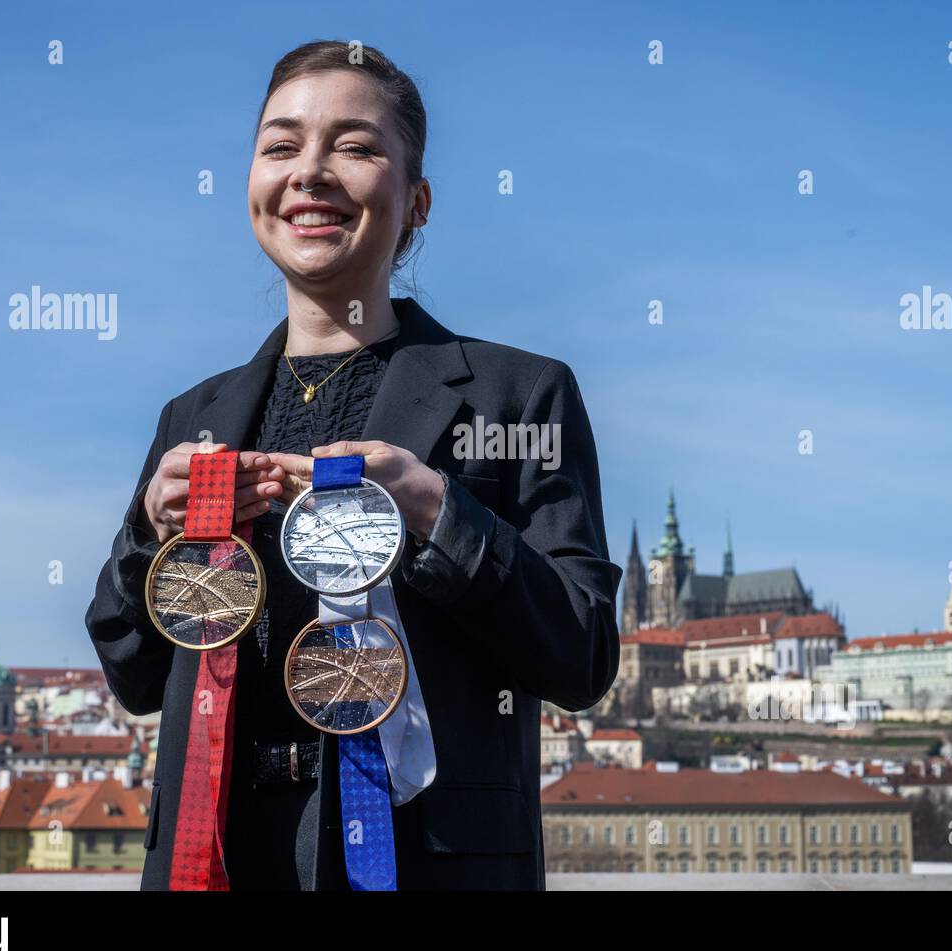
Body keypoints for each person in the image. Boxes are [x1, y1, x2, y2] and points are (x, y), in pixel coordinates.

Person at [85, 39, 620, 890]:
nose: (311, 172)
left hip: (429, 862)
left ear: (417, 202)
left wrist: (443, 516)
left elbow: (582, 656)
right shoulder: (193, 418)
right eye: (282, 145)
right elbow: (135, 675)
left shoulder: (519, 397)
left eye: (356, 146)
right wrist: (148, 536)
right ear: (253, 185)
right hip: (212, 859)